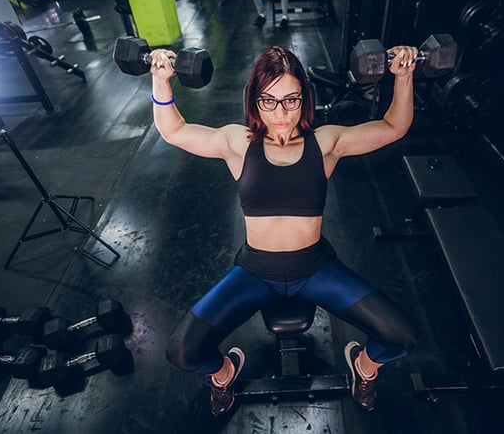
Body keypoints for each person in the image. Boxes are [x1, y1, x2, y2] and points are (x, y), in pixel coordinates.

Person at [149, 44, 419, 416]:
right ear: (254, 99)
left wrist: (403, 77)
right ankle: (226, 371)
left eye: (291, 100)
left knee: (401, 337)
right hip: (255, 273)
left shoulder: (325, 143)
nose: (281, 113)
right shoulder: (238, 143)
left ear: (304, 99)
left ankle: (364, 367)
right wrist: (160, 80)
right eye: (269, 100)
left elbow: (393, 126)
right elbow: (174, 130)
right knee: (181, 352)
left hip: (317, 269)